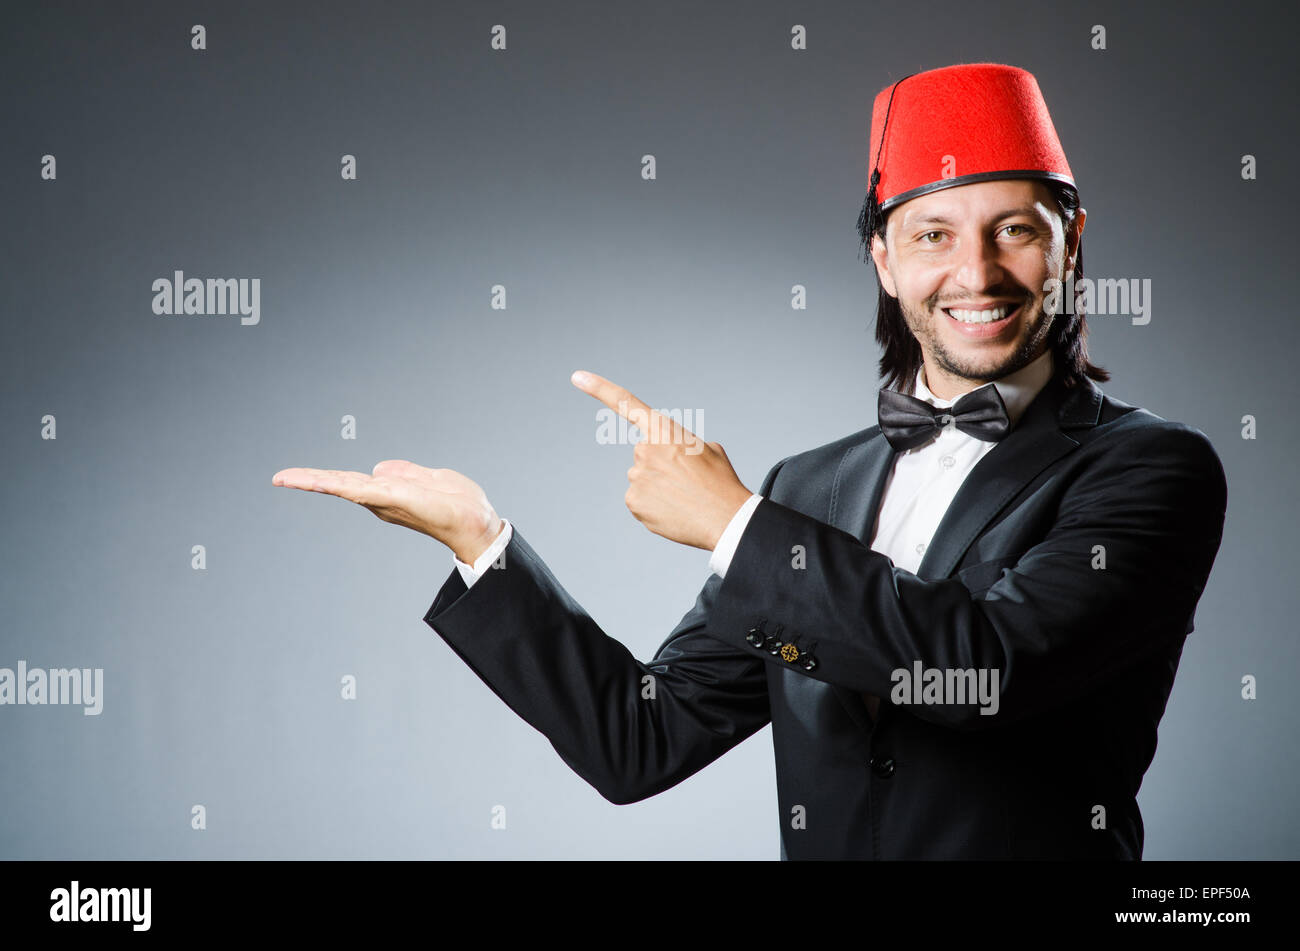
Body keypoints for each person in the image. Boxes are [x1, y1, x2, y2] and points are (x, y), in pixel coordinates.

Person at [272, 63, 1228, 859]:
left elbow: (982, 673)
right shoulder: (807, 488)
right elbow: (639, 741)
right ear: (885, 262)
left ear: (1070, 245)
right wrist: (484, 545)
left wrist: (733, 524)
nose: (974, 273)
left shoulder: (1153, 469)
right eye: (933, 234)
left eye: (1013, 229)